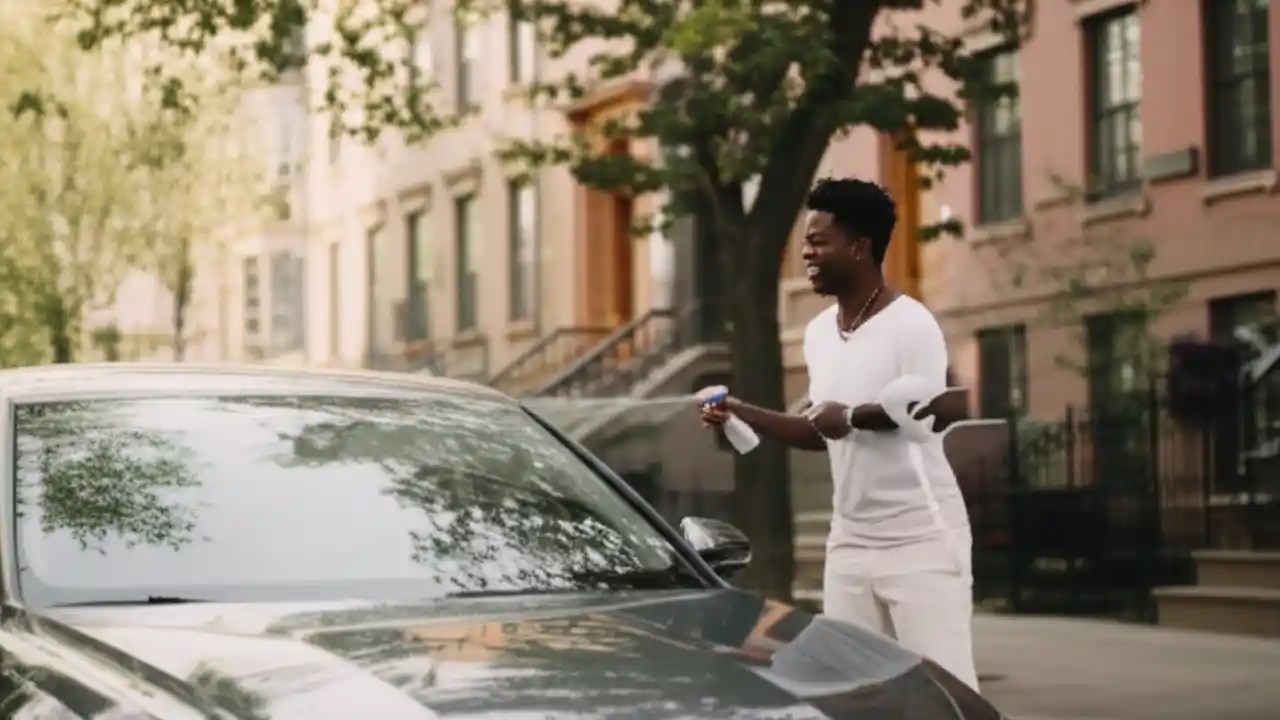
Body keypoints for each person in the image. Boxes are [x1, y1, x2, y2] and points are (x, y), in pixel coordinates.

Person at [698, 177, 979, 691]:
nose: (806, 252)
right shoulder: (819, 334)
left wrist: (850, 418)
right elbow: (818, 430)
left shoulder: (911, 323)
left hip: (922, 540)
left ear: (860, 246)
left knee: (944, 690)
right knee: (853, 690)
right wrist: (740, 411)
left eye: (818, 241)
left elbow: (929, 409)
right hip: (849, 542)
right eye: (806, 241)